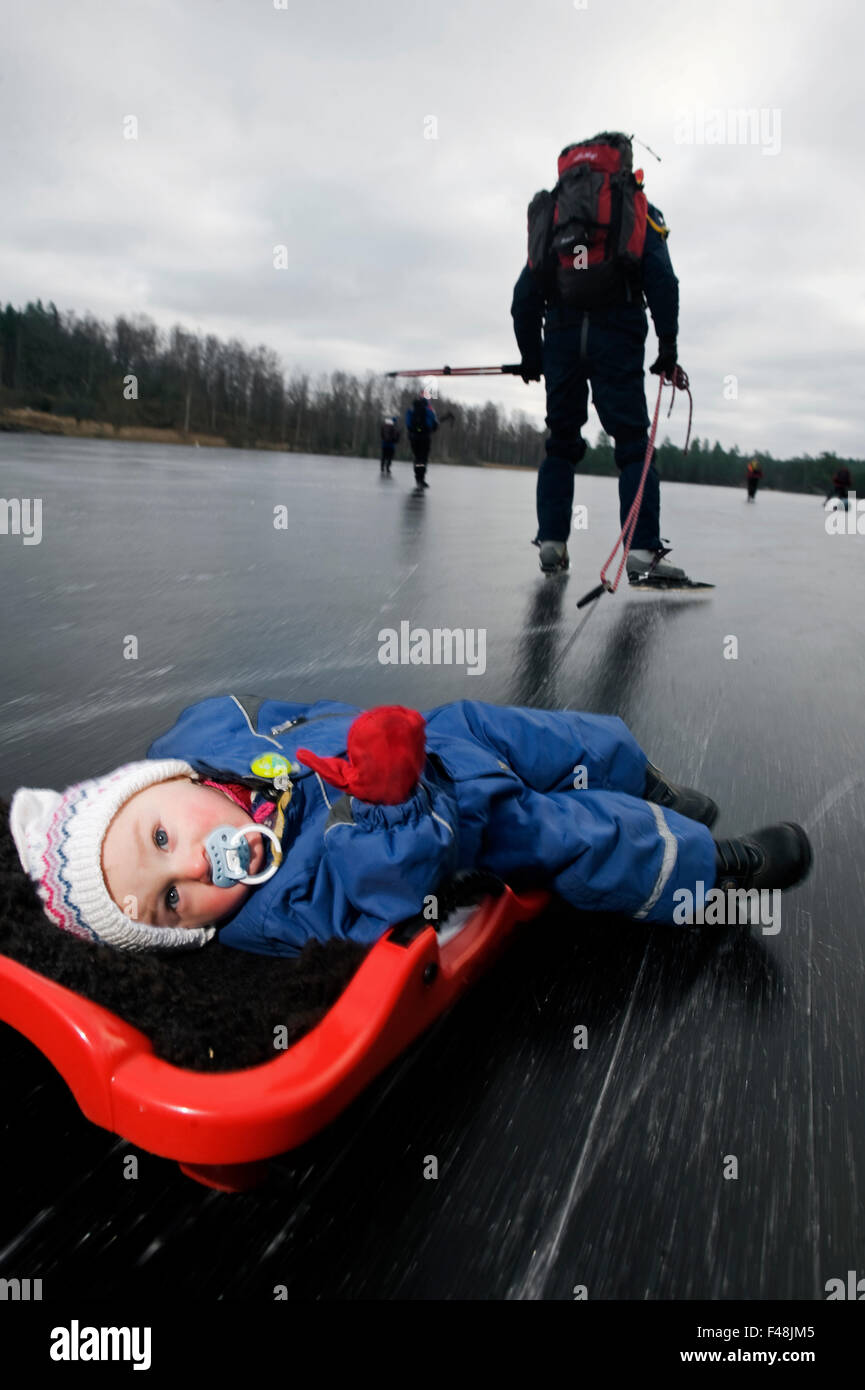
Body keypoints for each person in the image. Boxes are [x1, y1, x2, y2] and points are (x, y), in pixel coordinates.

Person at [8, 696, 812, 958]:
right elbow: (388, 882)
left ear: (167, 779)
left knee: (567, 737)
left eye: (158, 840)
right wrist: (390, 800)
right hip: (455, 822)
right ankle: (711, 868)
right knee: (580, 835)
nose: (193, 867)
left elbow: (260, 714)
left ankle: (647, 780)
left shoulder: (200, 745)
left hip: (444, 740)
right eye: (171, 905)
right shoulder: (277, 902)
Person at [511, 131, 692, 579]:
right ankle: (642, 553)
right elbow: (662, 280)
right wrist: (667, 348)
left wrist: (532, 357)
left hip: (563, 337)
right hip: (617, 332)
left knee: (561, 440)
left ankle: (552, 543)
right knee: (632, 444)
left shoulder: (557, 217)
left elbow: (524, 297)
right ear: (623, 165)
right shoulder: (636, 210)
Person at [405, 395, 438, 489]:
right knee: (423, 458)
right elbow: (434, 425)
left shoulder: (411, 409)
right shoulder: (429, 410)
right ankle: (421, 479)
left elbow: (408, 424)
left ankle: (417, 477)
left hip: (414, 437)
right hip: (425, 437)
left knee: (417, 457)